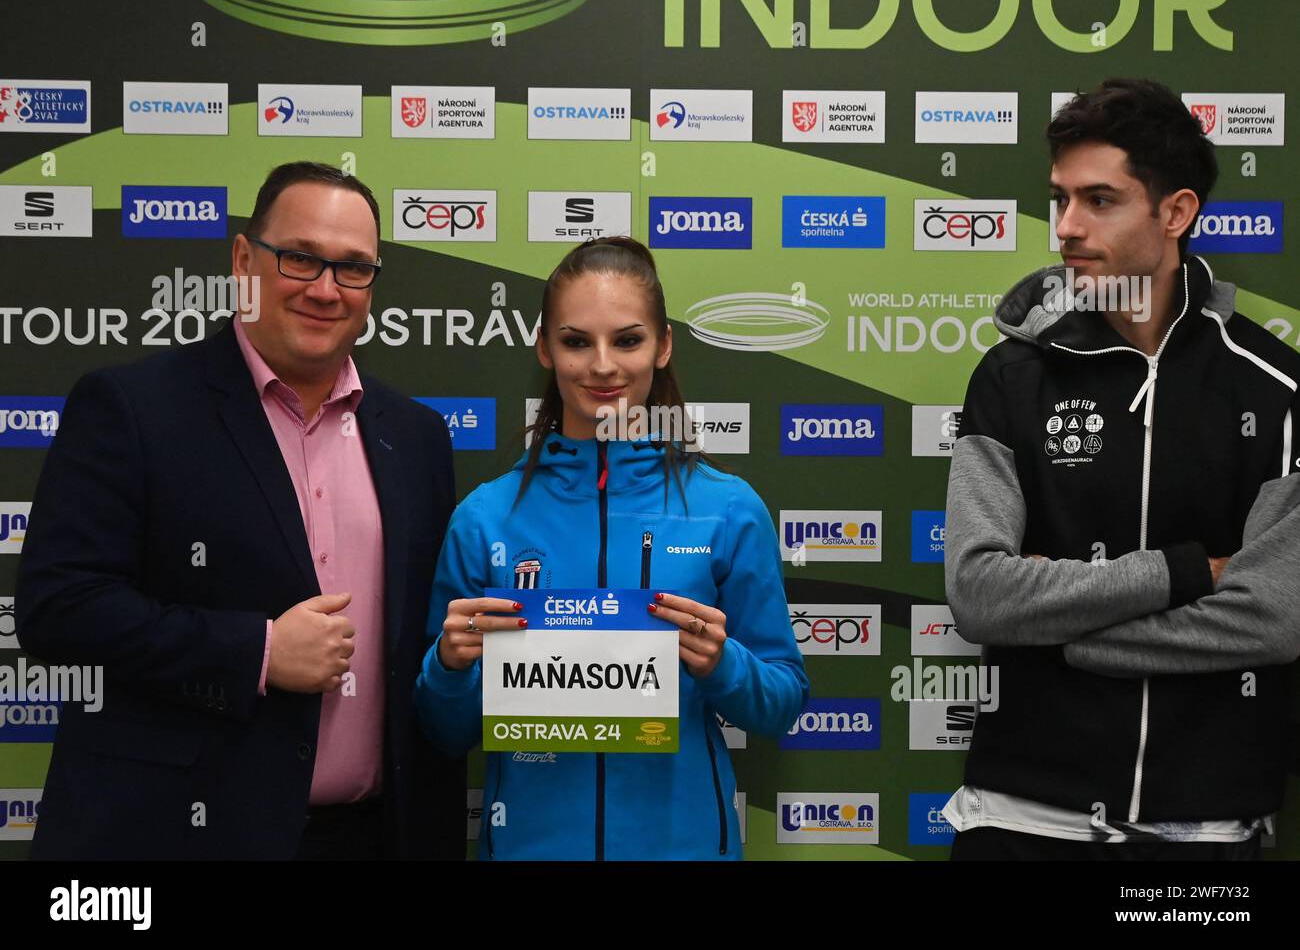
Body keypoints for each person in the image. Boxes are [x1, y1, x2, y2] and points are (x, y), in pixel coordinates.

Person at [17, 161, 465, 859]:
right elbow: (58, 606)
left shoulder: (416, 437)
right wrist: (255, 651)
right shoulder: (133, 409)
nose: (325, 289)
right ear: (243, 259)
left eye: (353, 269)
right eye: (300, 258)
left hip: (371, 840)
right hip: (179, 839)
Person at [942, 79, 1300, 860]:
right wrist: (1188, 572)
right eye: (1060, 199)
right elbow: (979, 594)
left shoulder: (1277, 390)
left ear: (1175, 213)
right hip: (1021, 818)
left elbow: (1275, 615)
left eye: (1099, 200)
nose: (1066, 227)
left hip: (1202, 829)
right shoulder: (1010, 378)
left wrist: (1074, 633)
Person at [413, 236, 809, 860]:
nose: (602, 366)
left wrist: (720, 663)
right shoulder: (485, 518)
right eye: (576, 341)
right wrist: (449, 666)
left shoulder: (727, 510)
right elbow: (443, 730)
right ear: (545, 347)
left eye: (627, 339)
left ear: (664, 344)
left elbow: (783, 703)